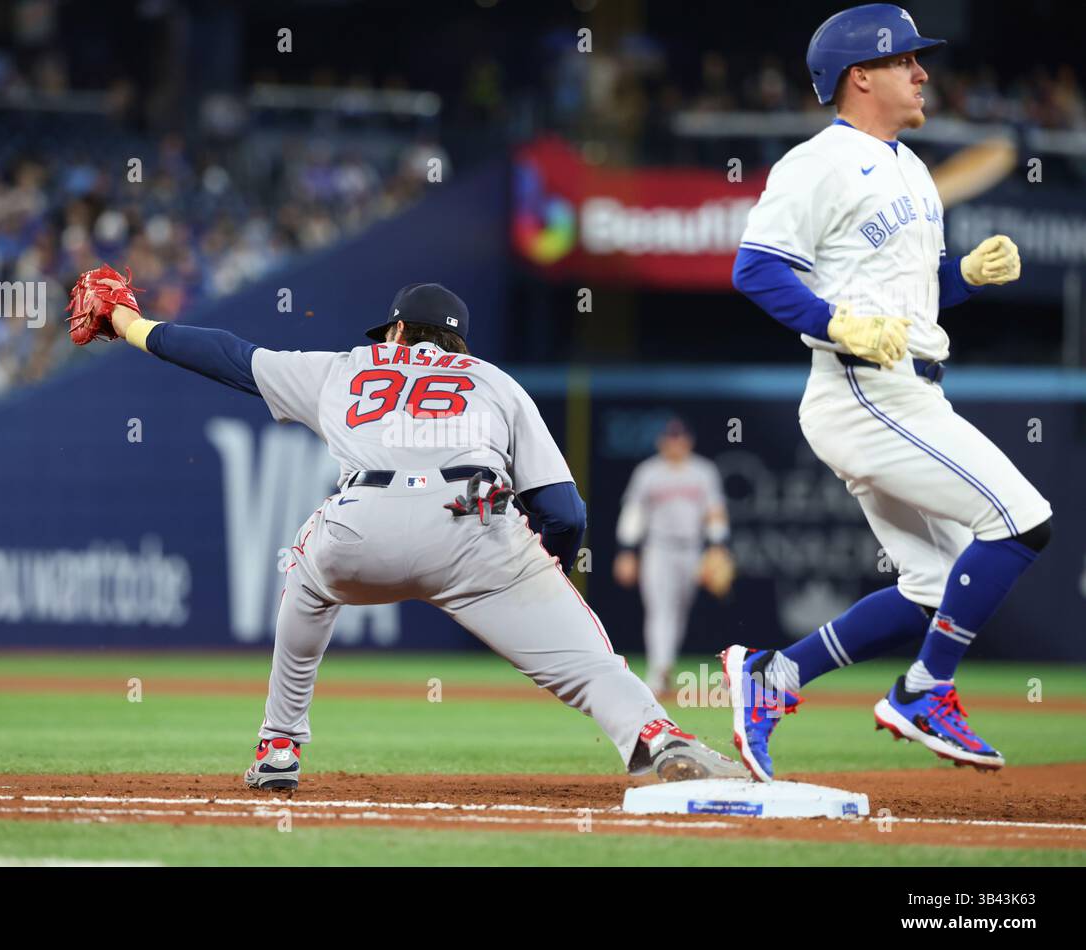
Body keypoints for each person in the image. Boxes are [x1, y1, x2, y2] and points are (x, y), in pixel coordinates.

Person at [66, 271, 746, 789]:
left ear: (395, 333)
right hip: (476, 527)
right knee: (588, 662)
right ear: (457, 343)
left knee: (306, 579)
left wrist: (125, 319)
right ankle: (655, 733)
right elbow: (565, 510)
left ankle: (278, 746)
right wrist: (543, 574)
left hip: (364, 524)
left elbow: (224, 355)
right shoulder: (494, 381)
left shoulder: (346, 367)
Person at [724, 4, 1052, 782]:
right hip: (864, 391)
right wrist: (836, 323)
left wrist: (963, 276)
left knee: (934, 584)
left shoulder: (910, 168)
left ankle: (774, 678)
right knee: (1021, 519)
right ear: (858, 75)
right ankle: (923, 689)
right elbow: (757, 268)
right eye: (905, 59)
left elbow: (910, 296)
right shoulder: (816, 162)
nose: (923, 72)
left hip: (908, 388)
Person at [612, 418, 731, 695]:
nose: (675, 443)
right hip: (658, 548)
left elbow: (714, 512)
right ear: (662, 442)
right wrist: (627, 552)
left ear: (688, 441)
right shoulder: (649, 472)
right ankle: (658, 670)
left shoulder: (703, 471)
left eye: (680, 438)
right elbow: (634, 514)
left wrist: (718, 546)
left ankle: (665, 665)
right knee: (660, 609)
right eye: (670, 438)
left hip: (692, 549)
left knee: (679, 612)